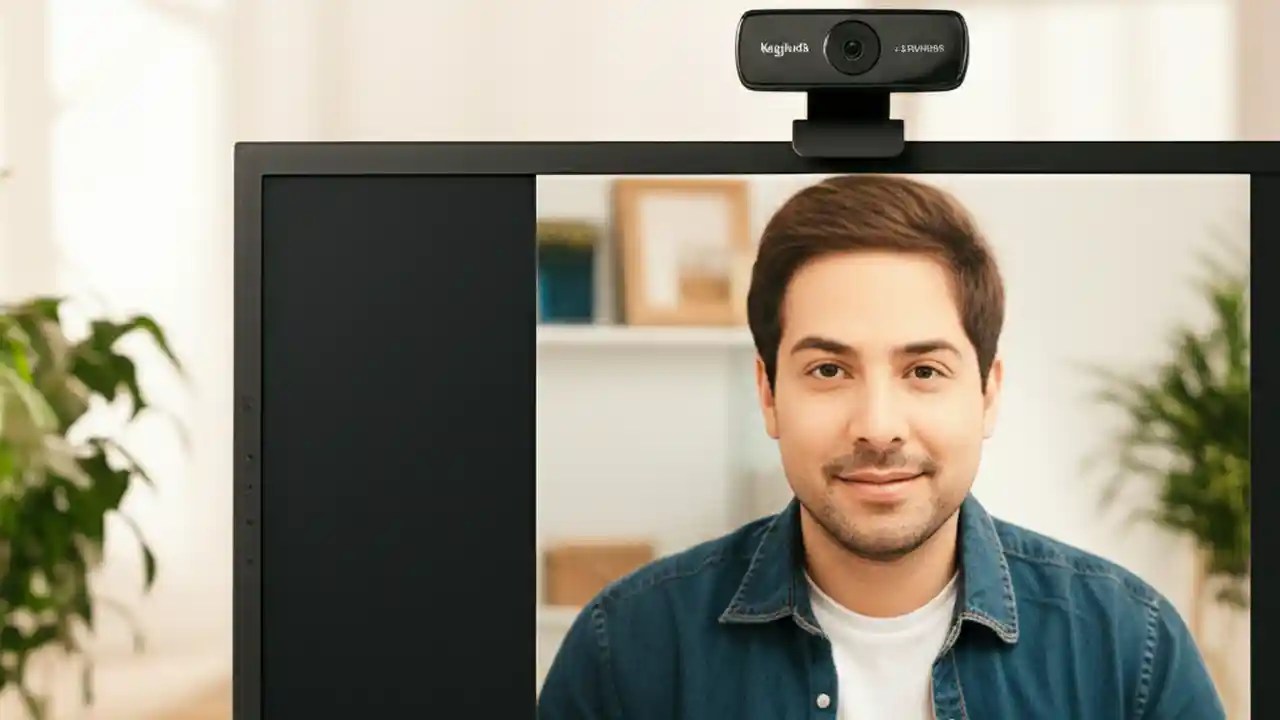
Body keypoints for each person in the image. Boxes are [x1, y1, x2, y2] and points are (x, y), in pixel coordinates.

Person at [536, 174, 1224, 719]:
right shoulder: (625, 649)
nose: (877, 425)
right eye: (829, 371)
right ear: (769, 393)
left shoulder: (1130, 649)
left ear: (987, 393)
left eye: (923, 371)